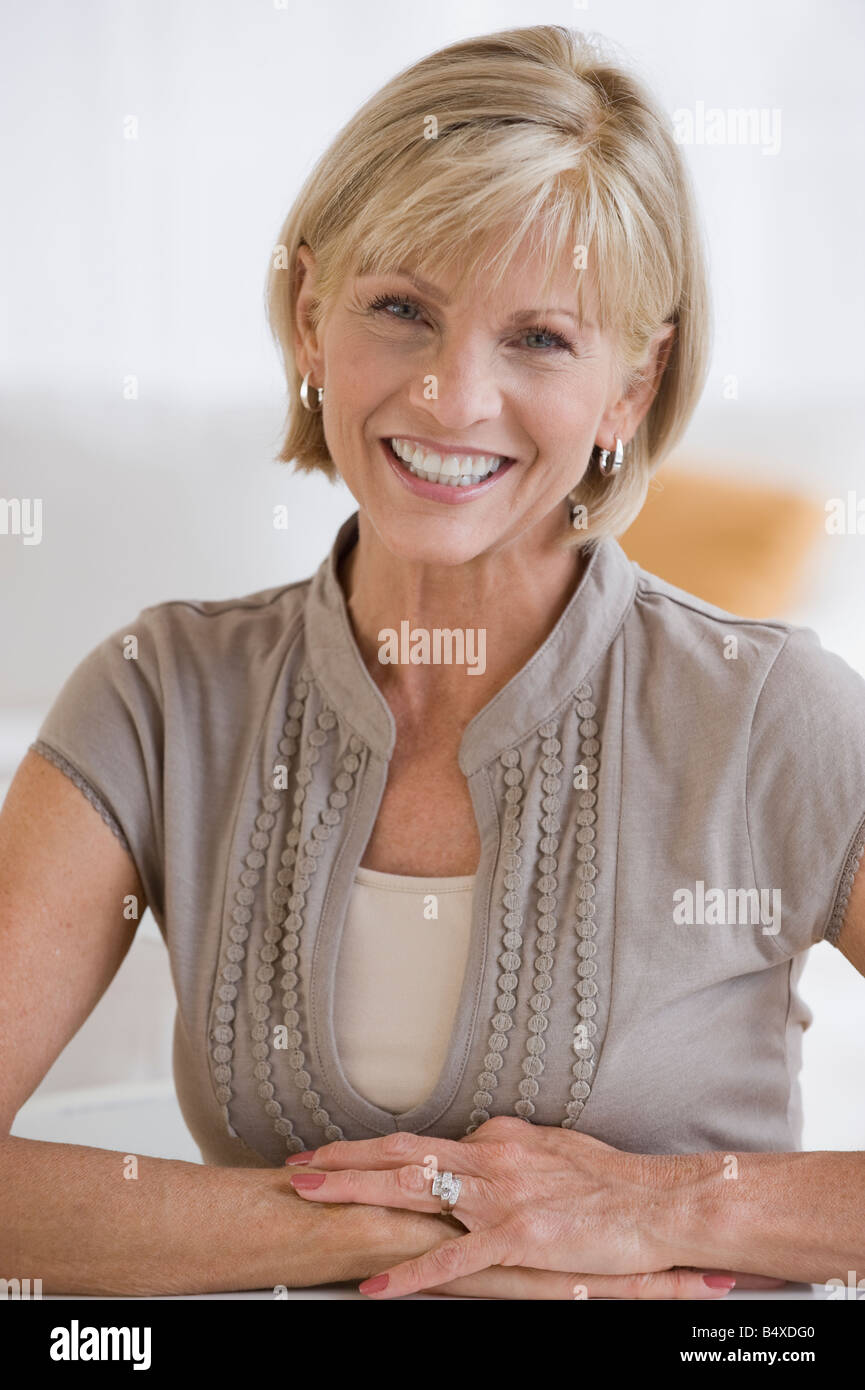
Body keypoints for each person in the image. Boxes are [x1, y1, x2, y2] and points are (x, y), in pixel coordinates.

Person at [2, 25, 863, 1301]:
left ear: (635, 382)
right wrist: (418, 1228)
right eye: (401, 310)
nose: (454, 398)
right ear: (310, 314)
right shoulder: (158, 695)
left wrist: (650, 1202)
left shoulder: (768, 713)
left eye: (541, 340)